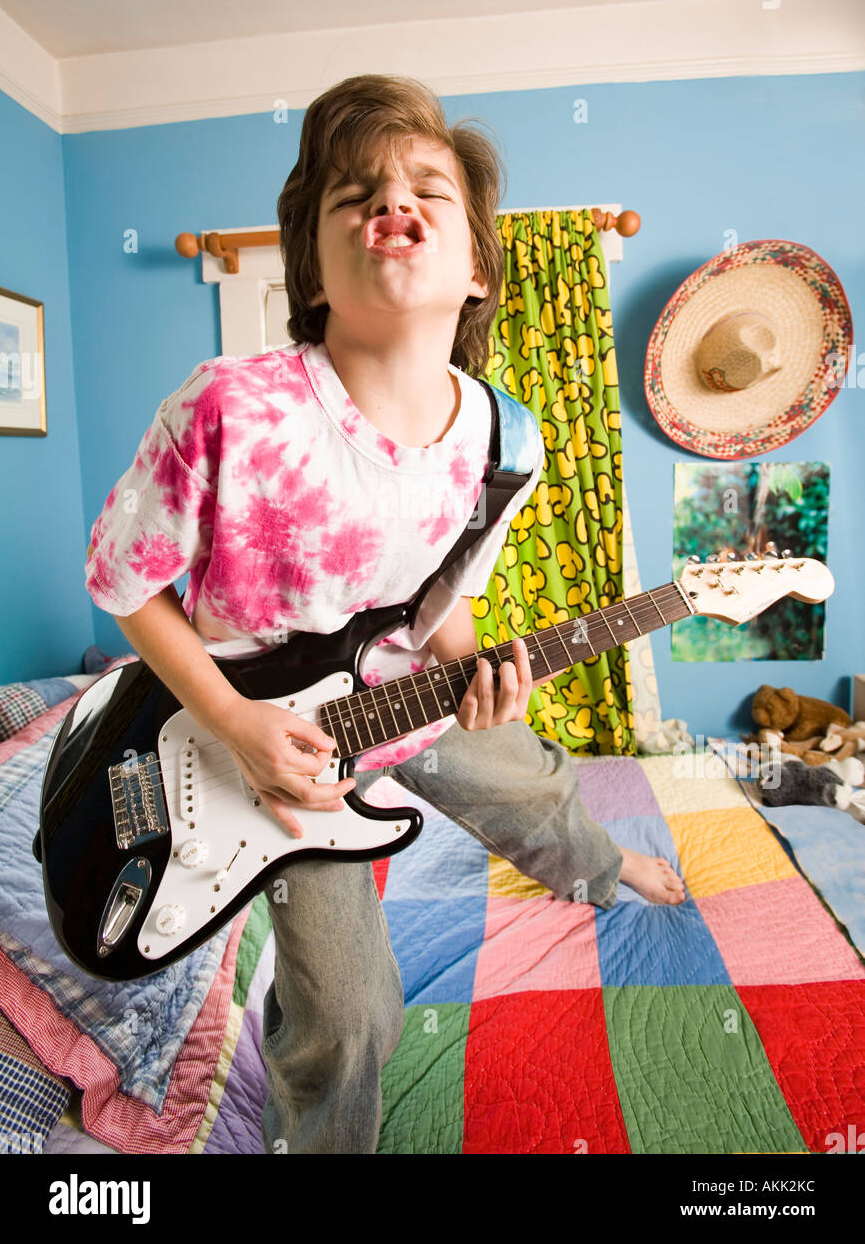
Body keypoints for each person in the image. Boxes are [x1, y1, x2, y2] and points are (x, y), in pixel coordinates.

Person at [85, 73, 684, 1156]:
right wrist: (234, 724)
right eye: (353, 192)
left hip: (401, 694)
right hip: (259, 745)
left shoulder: (509, 440)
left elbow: (443, 605)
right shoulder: (229, 406)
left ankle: (602, 868)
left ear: (476, 265)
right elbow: (121, 578)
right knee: (351, 1014)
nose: (388, 203)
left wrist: (487, 670)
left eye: (424, 189)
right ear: (311, 263)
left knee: (534, 775)